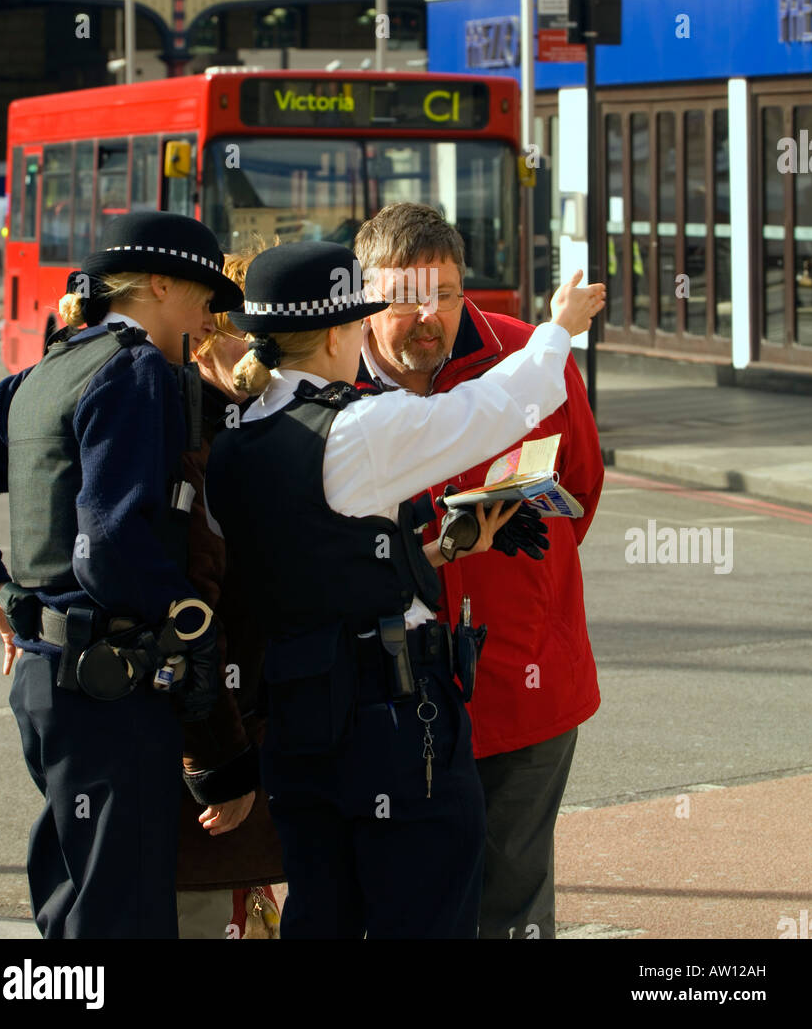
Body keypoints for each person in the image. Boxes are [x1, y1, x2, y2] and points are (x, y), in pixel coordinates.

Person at [204, 240, 604, 939]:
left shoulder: (237, 440)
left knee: (324, 913)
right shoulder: (354, 429)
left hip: (299, 718)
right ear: (338, 332)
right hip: (391, 724)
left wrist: (438, 545)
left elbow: (323, 556)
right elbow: (497, 406)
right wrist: (557, 329)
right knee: (424, 914)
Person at [0, 210, 243, 940]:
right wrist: (186, 616)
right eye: (201, 294)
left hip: (46, 679)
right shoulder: (138, 369)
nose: (209, 315)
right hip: (109, 685)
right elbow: (110, 535)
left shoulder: (48, 370)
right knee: (120, 912)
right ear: (154, 284)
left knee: (74, 892)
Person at [354, 202, 605, 939]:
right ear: (366, 296)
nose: (426, 317)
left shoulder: (531, 357)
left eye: (444, 293)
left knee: (511, 907)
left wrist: (520, 594)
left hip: (521, 684)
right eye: (403, 298)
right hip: (383, 697)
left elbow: (577, 496)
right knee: (399, 903)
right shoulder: (331, 387)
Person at [175, 250, 285, 940]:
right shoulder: (192, 435)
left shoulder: (254, 421)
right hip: (215, 740)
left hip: (258, 728)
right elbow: (191, 622)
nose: (260, 350)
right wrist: (218, 764)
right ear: (207, 336)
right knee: (208, 913)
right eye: (244, 331)